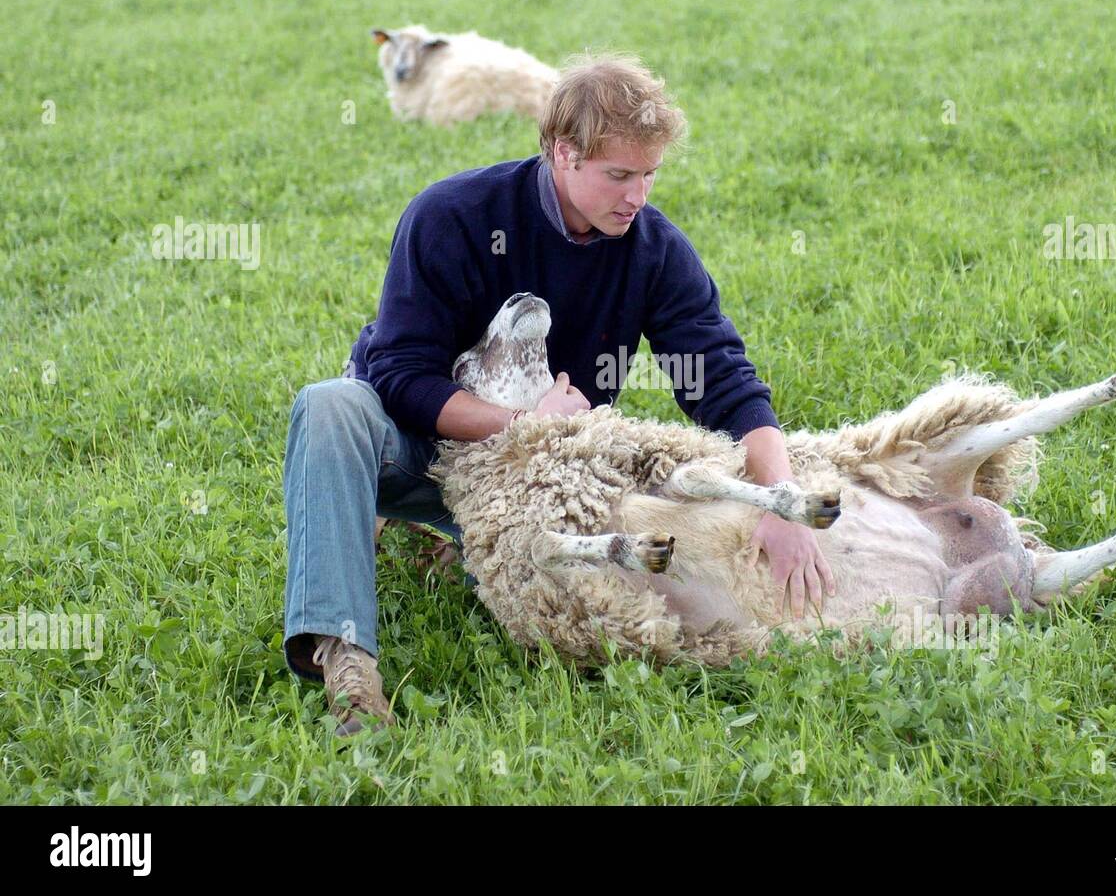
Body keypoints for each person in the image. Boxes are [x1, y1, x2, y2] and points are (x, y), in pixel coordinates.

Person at [282, 52, 835, 737]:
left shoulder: (652, 248)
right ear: (561, 152)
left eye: (650, 174)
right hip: (423, 447)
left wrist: (784, 503)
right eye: (619, 175)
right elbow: (398, 375)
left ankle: (452, 546)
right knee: (330, 402)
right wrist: (525, 422)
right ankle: (348, 662)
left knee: (572, 587)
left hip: (538, 483)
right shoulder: (452, 216)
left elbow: (722, 378)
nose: (638, 195)